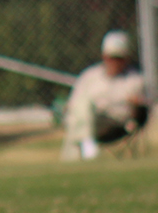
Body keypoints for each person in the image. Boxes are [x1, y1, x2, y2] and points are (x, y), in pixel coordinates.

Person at [61, 30, 150, 160]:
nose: (114, 62)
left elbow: (142, 112)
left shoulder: (135, 80)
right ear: (104, 56)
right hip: (89, 119)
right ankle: (86, 147)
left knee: (78, 123)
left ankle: (85, 150)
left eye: (119, 58)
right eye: (111, 57)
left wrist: (136, 108)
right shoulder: (89, 77)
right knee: (81, 110)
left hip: (117, 123)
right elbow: (73, 104)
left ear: (126, 58)